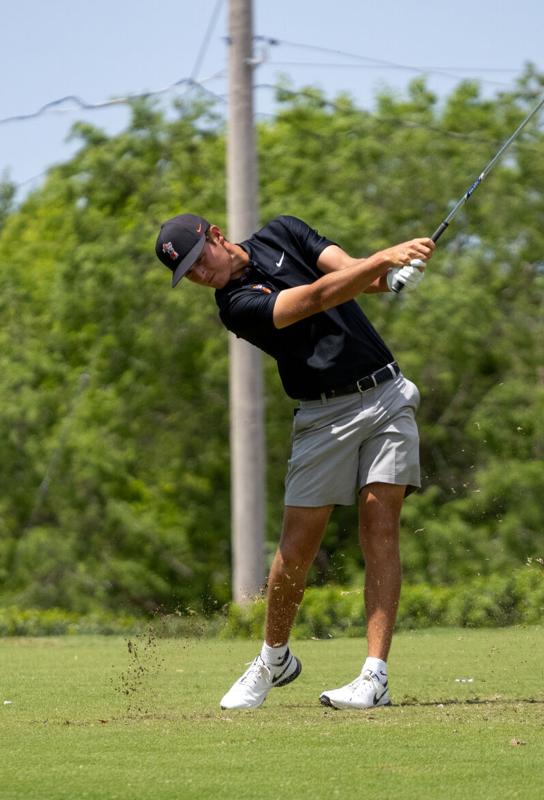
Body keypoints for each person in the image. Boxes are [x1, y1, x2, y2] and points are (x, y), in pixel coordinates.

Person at [154, 213, 434, 710]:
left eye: (200, 261)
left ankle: (375, 676)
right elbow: (316, 298)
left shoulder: (284, 232)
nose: (200, 275)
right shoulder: (235, 307)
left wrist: (387, 278)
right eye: (188, 274)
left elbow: (349, 272)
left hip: (387, 395)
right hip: (322, 417)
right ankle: (273, 658)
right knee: (295, 550)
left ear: (216, 236)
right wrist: (384, 258)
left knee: (380, 527)